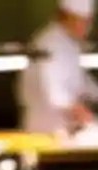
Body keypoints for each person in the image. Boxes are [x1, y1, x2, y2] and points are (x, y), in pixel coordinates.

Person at [18, 0, 98, 134]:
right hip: (47, 128)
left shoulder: (69, 43)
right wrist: (83, 115)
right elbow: (56, 94)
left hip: (64, 128)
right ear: (67, 17)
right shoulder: (49, 42)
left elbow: (82, 82)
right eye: (84, 22)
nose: (87, 28)